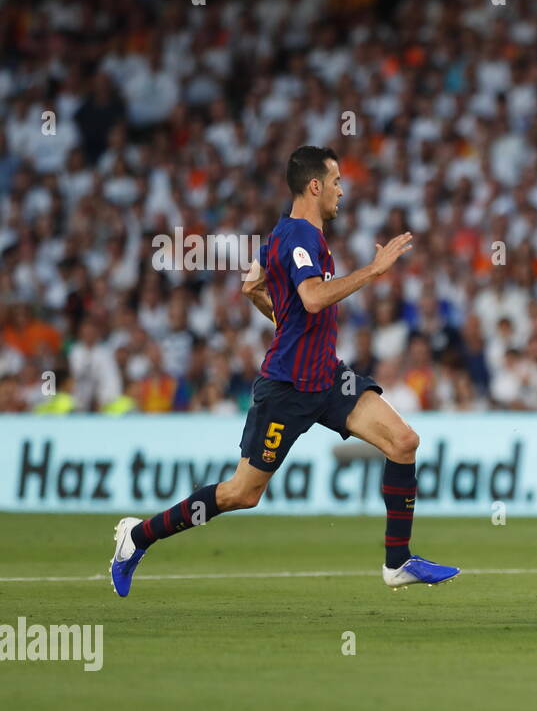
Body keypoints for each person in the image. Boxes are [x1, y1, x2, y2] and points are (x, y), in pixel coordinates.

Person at [109, 146, 460, 596]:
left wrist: (286, 322)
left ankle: (397, 562)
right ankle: (136, 538)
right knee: (241, 493)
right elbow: (312, 298)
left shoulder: (285, 234)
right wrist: (373, 271)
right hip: (288, 386)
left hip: (328, 378)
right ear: (315, 185)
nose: (341, 191)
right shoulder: (299, 237)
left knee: (403, 441)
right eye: (335, 182)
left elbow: (252, 285)